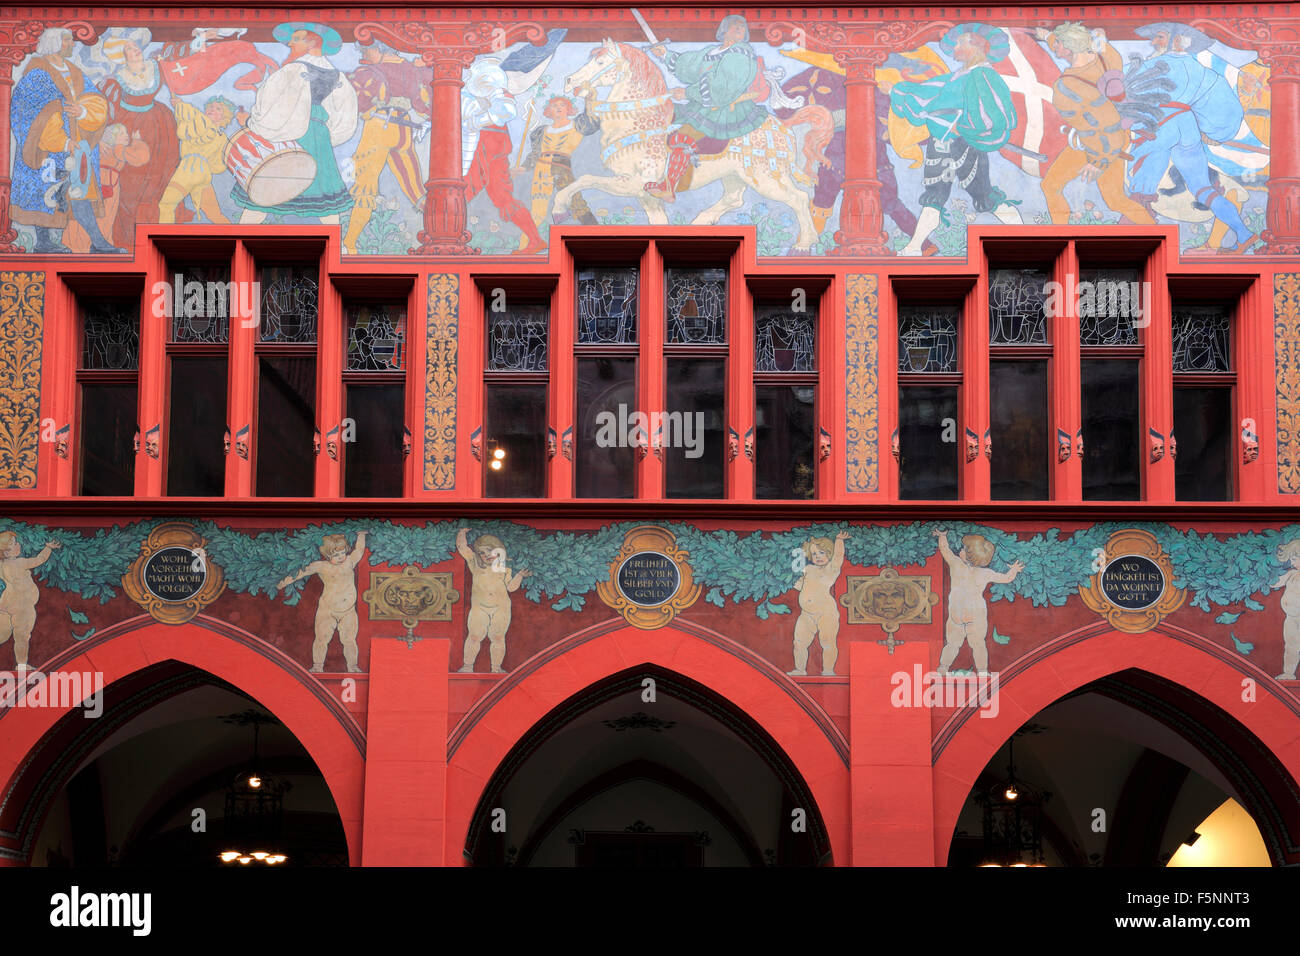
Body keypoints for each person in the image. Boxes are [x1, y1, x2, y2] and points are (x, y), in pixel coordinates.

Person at [885, 23, 1022, 256]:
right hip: (941, 144)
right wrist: (897, 90)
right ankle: (915, 247)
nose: (955, 47)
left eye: (960, 42)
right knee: (934, 196)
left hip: (965, 144)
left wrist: (966, 127)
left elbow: (996, 112)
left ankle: (1023, 235)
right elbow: (931, 93)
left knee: (984, 195)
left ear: (976, 45)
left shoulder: (983, 75)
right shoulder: (957, 76)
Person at [1126, 22, 1256, 252]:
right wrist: (1215, 134)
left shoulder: (1152, 65)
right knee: (1203, 188)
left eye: (1160, 37)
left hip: (1159, 126)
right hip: (1188, 128)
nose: (1154, 42)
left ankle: (1132, 242)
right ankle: (1244, 234)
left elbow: (1126, 97)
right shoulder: (1201, 71)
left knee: (1141, 185)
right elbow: (1225, 104)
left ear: (1176, 40)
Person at [10, 27, 123, 253]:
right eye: (68, 41)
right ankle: (43, 243)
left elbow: (95, 99)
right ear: (55, 43)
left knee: (79, 189)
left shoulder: (74, 71)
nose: (72, 45)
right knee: (44, 192)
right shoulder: (38, 73)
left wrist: (82, 111)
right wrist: (61, 141)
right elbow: (28, 110)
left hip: (76, 146)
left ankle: (97, 242)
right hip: (46, 148)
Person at [234, 22, 358, 224]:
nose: (290, 43)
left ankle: (239, 241)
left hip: (290, 133)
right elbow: (345, 116)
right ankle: (336, 246)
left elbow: (274, 109)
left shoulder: (293, 70)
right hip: (320, 137)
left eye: (297, 38)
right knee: (323, 196)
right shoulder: (338, 76)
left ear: (313, 42)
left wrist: (250, 121)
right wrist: (325, 135)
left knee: (264, 189)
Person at [1035, 23, 1155, 226]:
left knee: (1051, 186)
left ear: (1069, 47)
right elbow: (1093, 39)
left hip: (1098, 145)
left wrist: (1099, 162)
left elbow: (1103, 125)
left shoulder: (1067, 87)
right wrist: (1048, 37)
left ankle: (1060, 236)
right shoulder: (1108, 56)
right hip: (1119, 139)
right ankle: (1155, 230)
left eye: (1058, 44)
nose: (1054, 47)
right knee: (1115, 199)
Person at [644, 14, 769, 202]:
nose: (739, 29)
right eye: (734, 26)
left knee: (683, 136)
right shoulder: (712, 50)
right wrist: (665, 55)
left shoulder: (741, 55)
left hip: (725, 110)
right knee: (662, 111)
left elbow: (723, 88)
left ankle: (669, 187)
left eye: (742, 27)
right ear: (724, 29)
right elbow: (689, 65)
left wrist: (687, 94)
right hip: (703, 104)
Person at [95, 28, 180, 250]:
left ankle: (151, 230)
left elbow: (178, 54)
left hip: (158, 126)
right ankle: (126, 236)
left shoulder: (155, 65)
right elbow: (102, 112)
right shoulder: (115, 80)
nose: (135, 51)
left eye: (135, 47)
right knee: (128, 182)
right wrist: (104, 140)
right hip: (129, 127)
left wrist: (203, 39)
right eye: (129, 49)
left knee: (157, 176)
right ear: (122, 56)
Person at [344, 40, 431, 253]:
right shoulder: (412, 70)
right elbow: (423, 104)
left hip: (379, 128)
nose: (364, 54)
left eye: (366, 49)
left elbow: (354, 99)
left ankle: (350, 244)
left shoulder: (369, 71)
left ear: (379, 49)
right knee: (416, 189)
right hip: (404, 130)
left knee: (365, 188)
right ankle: (437, 234)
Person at [461, 59, 546, 254]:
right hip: (483, 150)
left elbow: (506, 110)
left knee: (469, 191)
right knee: (487, 195)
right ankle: (535, 240)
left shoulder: (498, 93)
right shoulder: (469, 95)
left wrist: (477, 121)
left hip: (489, 151)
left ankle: (535, 240)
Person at [933, 528, 1024, 674]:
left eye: (964, 548)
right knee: (978, 644)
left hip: (957, 610)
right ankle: (982, 670)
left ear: (969, 554)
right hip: (976, 611)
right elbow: (1006, 578)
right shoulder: (985, 573)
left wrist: (942, 536)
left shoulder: (956, 564)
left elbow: (945, 549)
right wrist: (1013, 570)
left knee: (952, 643)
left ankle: (943, 667)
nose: (960, 550)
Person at [277, 531, 368, 673]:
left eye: (342, 553)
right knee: (321, 638)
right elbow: (301, 572)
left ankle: (352, 666)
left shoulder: (350, 562)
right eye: (335, 555)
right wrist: (283, 582)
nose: (340, 557)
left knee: (349, 640)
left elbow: (359, 550)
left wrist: (361, 535)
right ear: (327, 556)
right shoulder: (321, 566)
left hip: (348, 610)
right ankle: (317, 666)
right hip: (327, 610)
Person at [520, 94, 599, 240]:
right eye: (554, 105)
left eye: (562, 105)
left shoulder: (577, 124)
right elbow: (535, 154)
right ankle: (527, 244)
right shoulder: (542, 131)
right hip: (541, 171)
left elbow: (591, 124)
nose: (558, 108)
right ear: (548, 110)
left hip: (561, 168)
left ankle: (598, 237)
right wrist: (523, 168)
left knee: (576, 204)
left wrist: (589, 103)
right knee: (537, 210)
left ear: (569, 109)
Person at [457, 528, 530, 674]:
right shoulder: (476, 565)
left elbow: (511, 588)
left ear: (498, 550)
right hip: (480, 608)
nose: (486, 555)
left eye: (489, 550)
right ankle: (467, 666)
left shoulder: (504, 569)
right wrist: (461, 533)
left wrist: (520, 576)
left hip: (501, 608)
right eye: (482, 553)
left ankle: (496, 668)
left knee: (498, 637)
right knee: (474, 635)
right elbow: (462, 548)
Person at [158, 96, 235, 224]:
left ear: (225, 115)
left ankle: (163, 237)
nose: (212, 109)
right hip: (204, 175)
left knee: (166, 204)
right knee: (215, 214)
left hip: (189, 170)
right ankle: (234, 235)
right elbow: (219, 166)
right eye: (210, 106)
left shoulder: (201, 124)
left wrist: (180, 104)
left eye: (218, 109)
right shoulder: (222, 138)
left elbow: (190, 115)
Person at [789, 531, 849, 677]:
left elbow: (838, 557)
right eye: (815, 554)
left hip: (826, 613)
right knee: (799, 641)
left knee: (827, 641)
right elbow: (799, 584)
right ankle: (800, 669)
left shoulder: (831, 570)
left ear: (829, 553)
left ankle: (828, 670)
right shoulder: (809, 569)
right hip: (806, 614)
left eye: (822, 552)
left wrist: (839, 540)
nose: (818, 557)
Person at [0, 533, 61, 672]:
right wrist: (48, 548)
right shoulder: (19, 563)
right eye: (14, 544)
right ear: (7, 551)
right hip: (22, 607)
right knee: (22, 637)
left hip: (6, 605)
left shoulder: (1, 565)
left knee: (5, 634)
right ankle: (22, 665)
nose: (18, 545)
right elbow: (40, 559)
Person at [1272, 539, 1300, 680]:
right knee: (1291, 645)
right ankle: (1289, 673)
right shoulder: (1291, 574)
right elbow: (1277, 582)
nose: (1292, 563)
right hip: (1291, 618)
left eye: (1294, 559)